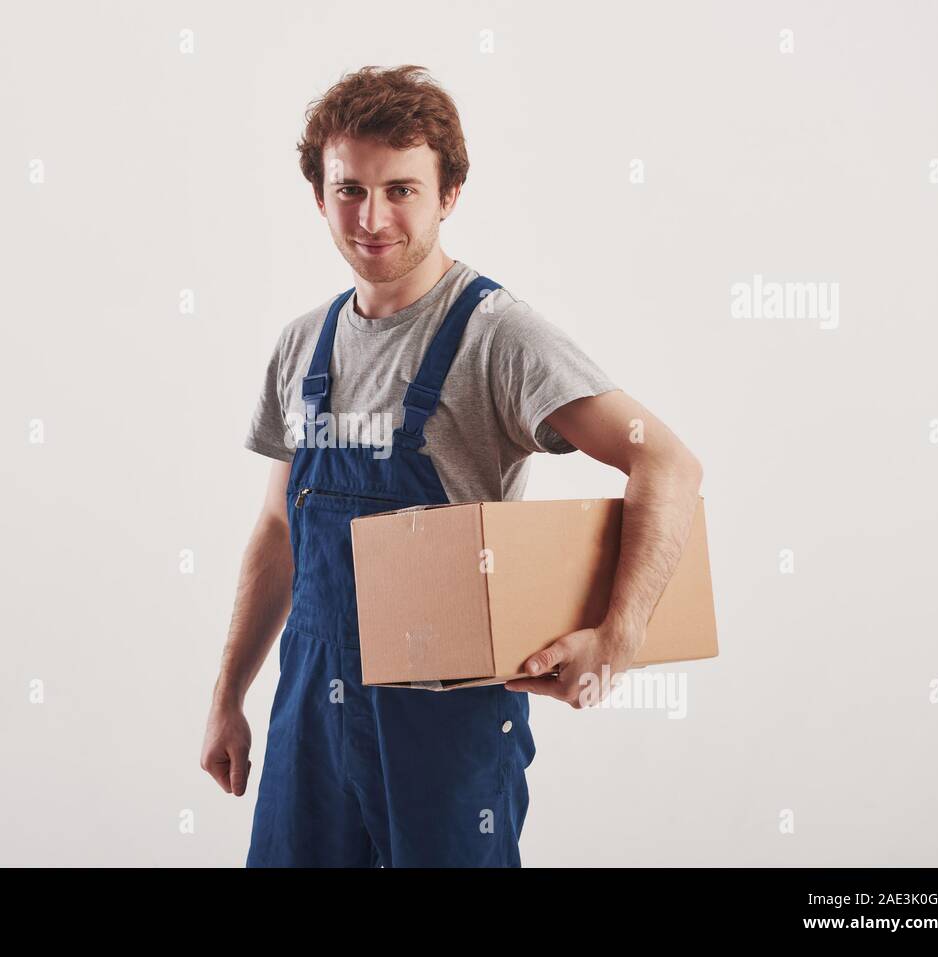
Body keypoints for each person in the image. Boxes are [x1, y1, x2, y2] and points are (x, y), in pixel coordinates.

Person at [200, 65, 704, 867]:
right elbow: (276, 530)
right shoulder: (302, 345)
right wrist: (229, 695)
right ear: (319, 195)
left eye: (401, 189)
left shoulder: (498, 338)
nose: (372, 217)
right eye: (350, 190)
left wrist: (618, 638)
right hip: (311, 716)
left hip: (446, 727)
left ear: (450, 193)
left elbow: (668, 464)